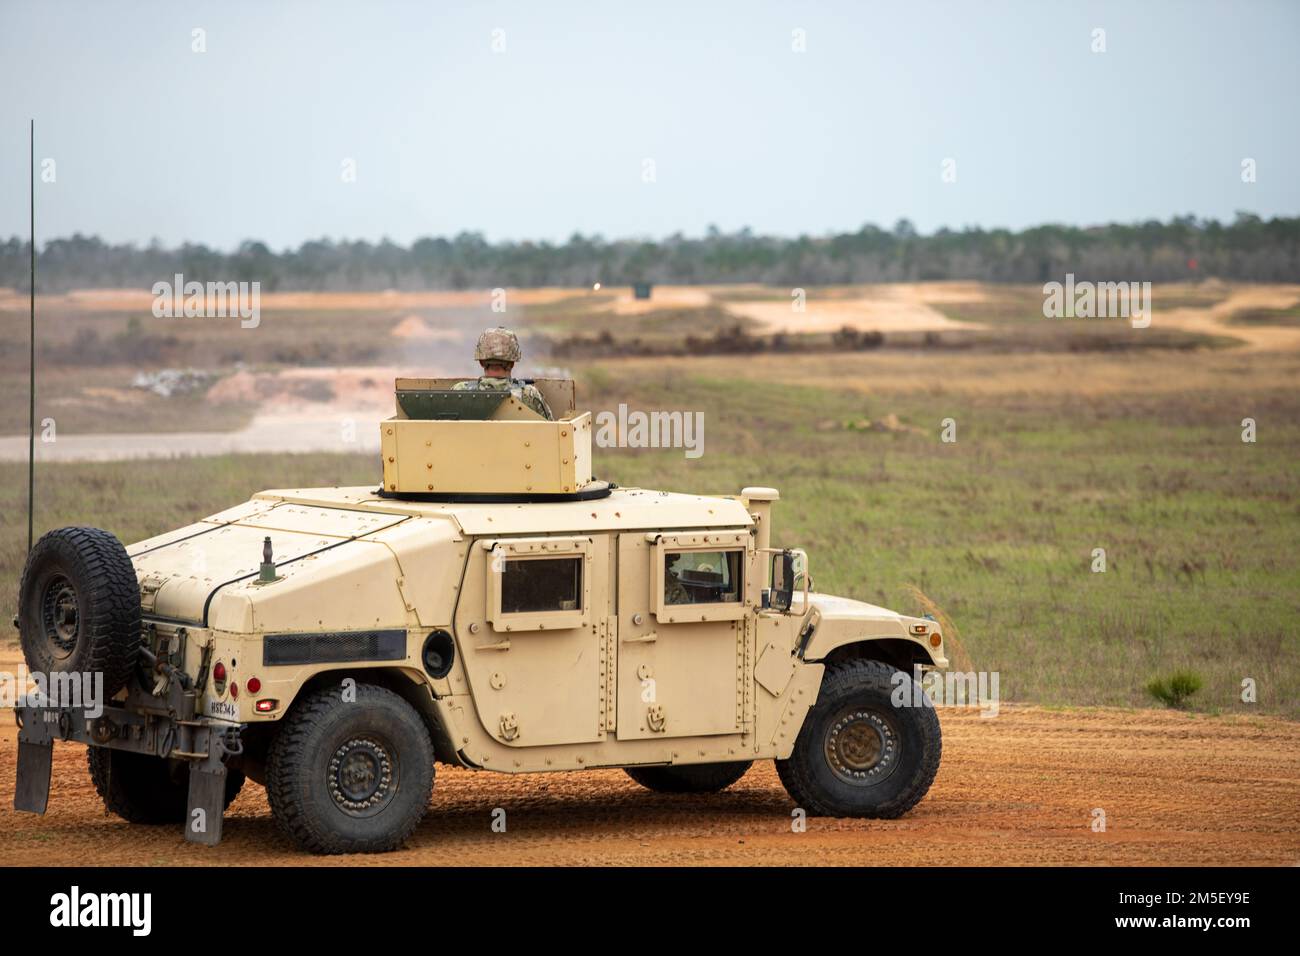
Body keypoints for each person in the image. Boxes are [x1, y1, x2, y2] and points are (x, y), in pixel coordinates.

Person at [452, 327, 554, 420]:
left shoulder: (459, 391)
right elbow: (551, 430)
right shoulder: (530, 395)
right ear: (512, 363)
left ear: (481, 362)